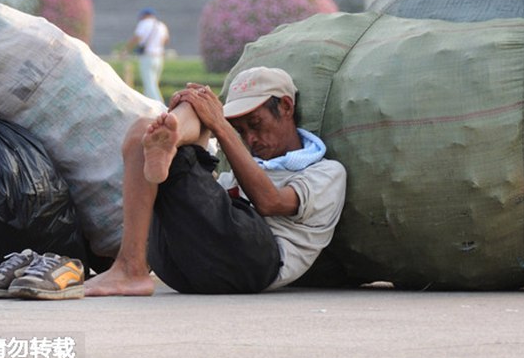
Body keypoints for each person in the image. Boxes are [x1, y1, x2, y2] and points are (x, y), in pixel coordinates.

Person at [85, 66, 347, 296]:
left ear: (286, 107)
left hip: (254, 264)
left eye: (256, 124)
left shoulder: (325, 172)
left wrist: (219, 126)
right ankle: (132, 264)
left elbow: (271, 202)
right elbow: (201, 203)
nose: (251, 139)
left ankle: (131, 268)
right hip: (179, 267)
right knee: (146, 133)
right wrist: (196, 118)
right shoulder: (241, 168)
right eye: (240, 131)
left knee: (175, 150)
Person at [127, 7, 169, 102]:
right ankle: (148, 103)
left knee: (149, 84)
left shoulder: (144, 24)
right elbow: (166, 40)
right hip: (159, 57)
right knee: (153, 83)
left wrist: (126, 50)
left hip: (147, 56)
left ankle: (159, 105)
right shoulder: (161, 25)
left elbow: (137, 38)